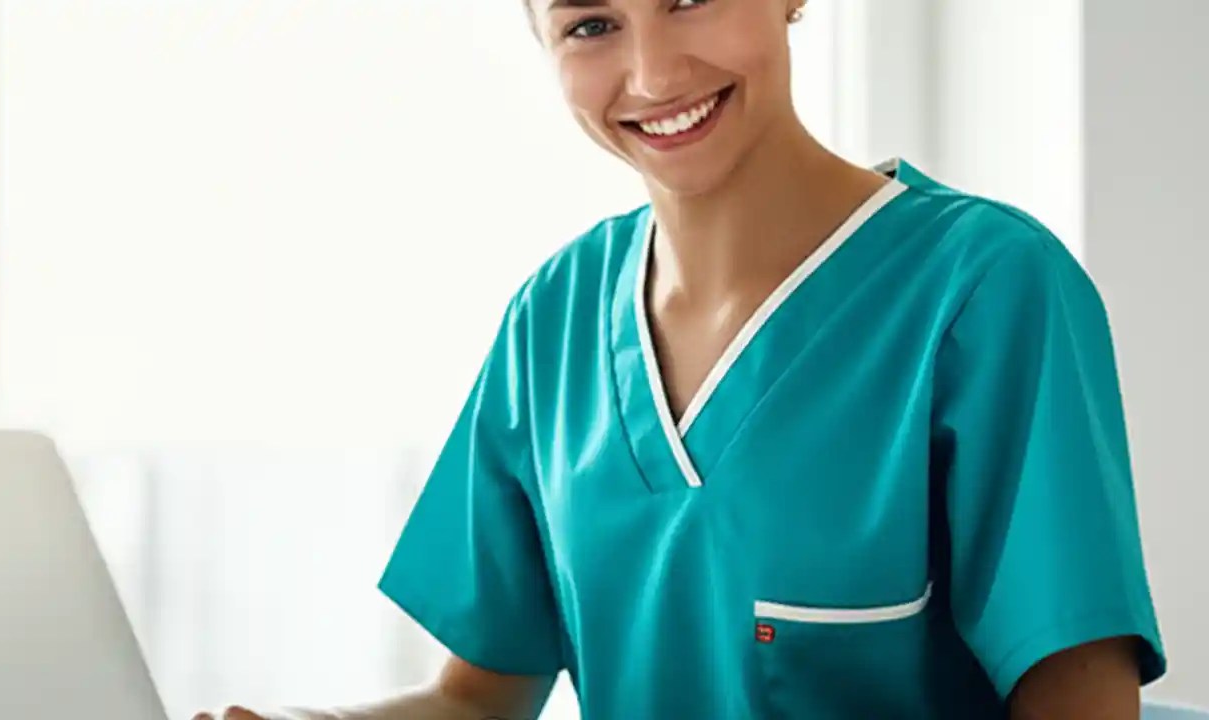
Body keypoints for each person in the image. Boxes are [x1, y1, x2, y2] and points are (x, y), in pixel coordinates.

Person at [197, 0, 1166, 717]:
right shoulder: (554, 320)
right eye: (588, 25)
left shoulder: (986, 291)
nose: (653, 74)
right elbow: (478, 701)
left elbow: (1076, 705)